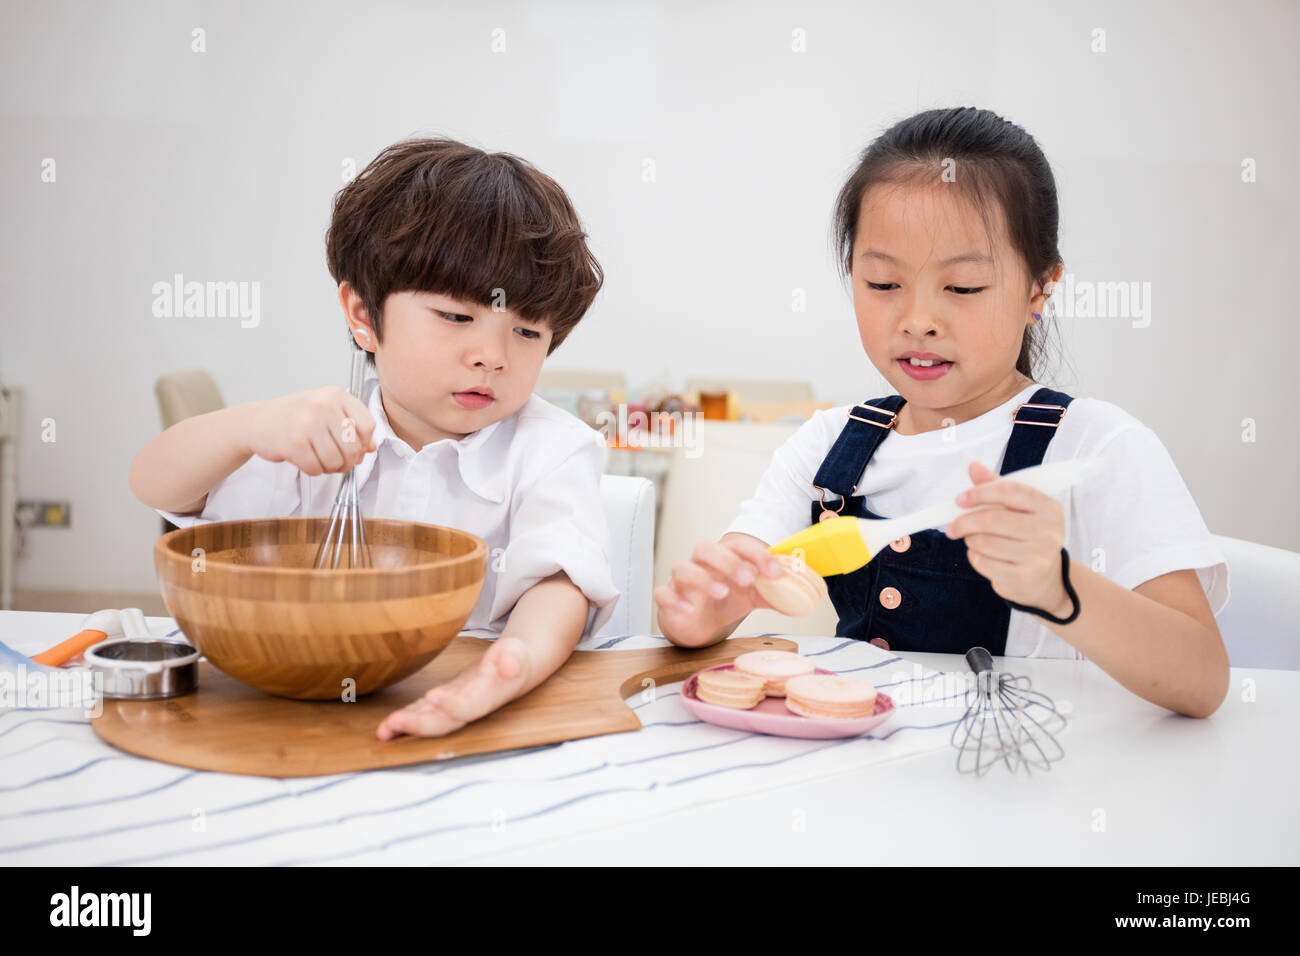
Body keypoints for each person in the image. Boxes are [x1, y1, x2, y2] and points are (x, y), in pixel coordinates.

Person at [654, 107, 1230, 718]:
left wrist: (1056, 587)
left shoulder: (1098, 448)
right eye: (882, 283)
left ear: (1040, 289)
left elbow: (1202, 680)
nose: (918, 319)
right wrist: (698, 615)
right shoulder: (826, 444)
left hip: (1021, 781)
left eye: (962, 288)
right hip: (860, 770)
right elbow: (734, 578)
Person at [130, 137, 619, 739]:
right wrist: (249, 426)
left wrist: (504, 670)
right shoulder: (314, 432)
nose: (491, 356)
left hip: (463, 707)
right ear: (364, 315)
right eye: (457, 317)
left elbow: (558, 582)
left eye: (525, 331)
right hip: (300, 700)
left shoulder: (551, 449)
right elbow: (154, 483)